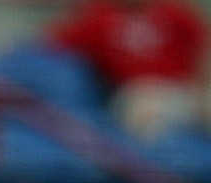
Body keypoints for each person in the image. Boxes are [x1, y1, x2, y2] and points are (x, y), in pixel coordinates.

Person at [47, 0, 211, 141]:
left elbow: (204, 47)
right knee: (148, 117)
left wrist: (200, 90)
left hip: (183, 89)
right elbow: (50, 44)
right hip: (137, 93)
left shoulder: (173, 12)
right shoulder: (98, 17)